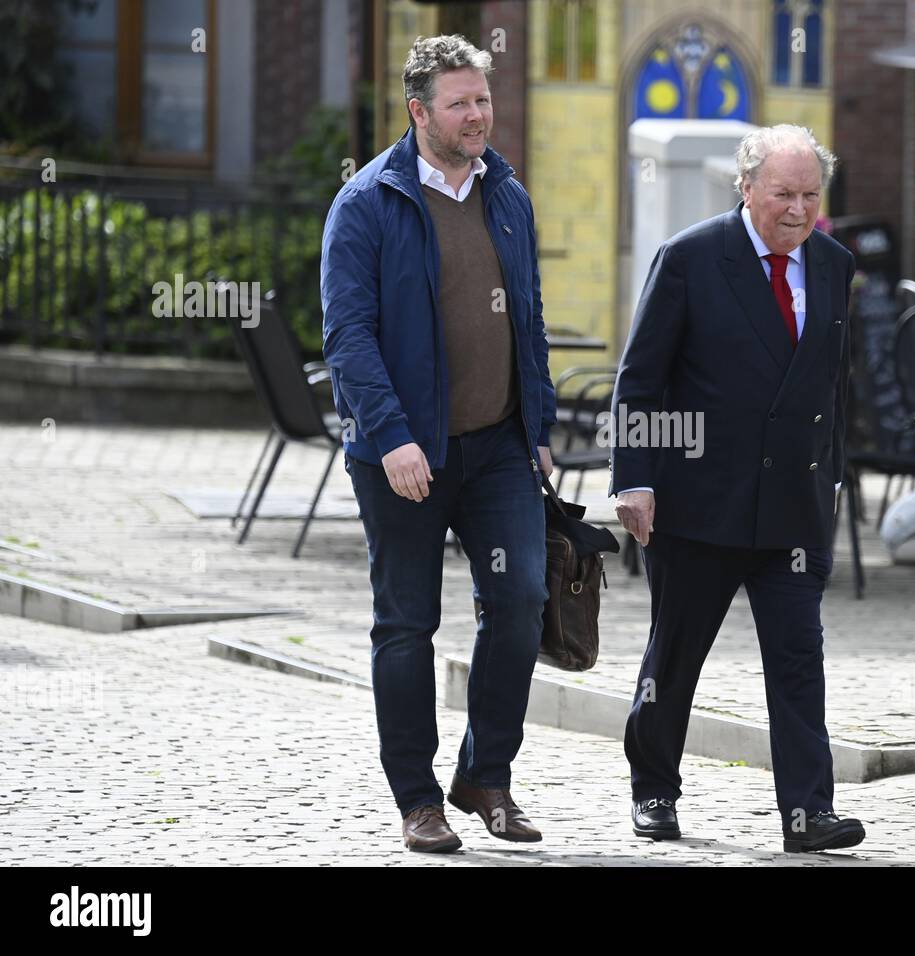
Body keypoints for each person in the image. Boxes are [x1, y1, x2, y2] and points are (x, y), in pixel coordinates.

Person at [320, 34, 556, 853]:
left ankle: (487, 775)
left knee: (523, 601)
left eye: (483, 100)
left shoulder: (508, 196)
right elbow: (347, 336)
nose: (477, 115)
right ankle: (419, 800)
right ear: (419, 112)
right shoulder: (367, 203)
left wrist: (540, 427)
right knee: (406, 624)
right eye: (459, 103)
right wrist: (390, 438)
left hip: (497, 450)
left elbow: (528, 320)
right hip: (405, 458)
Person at [610, 124, 864, 853]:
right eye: (783, 192)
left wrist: (835, 481)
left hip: (792, 509)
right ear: (746, 187)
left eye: (811, 194)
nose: (798, 208)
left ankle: (808, 812)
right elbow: (642, 378)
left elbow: (831, 387)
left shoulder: (833, 262)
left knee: (798, 661)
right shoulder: (691, 258)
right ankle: (654, 788)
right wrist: (634, 478)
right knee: (675, 656)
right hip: (699, 502)